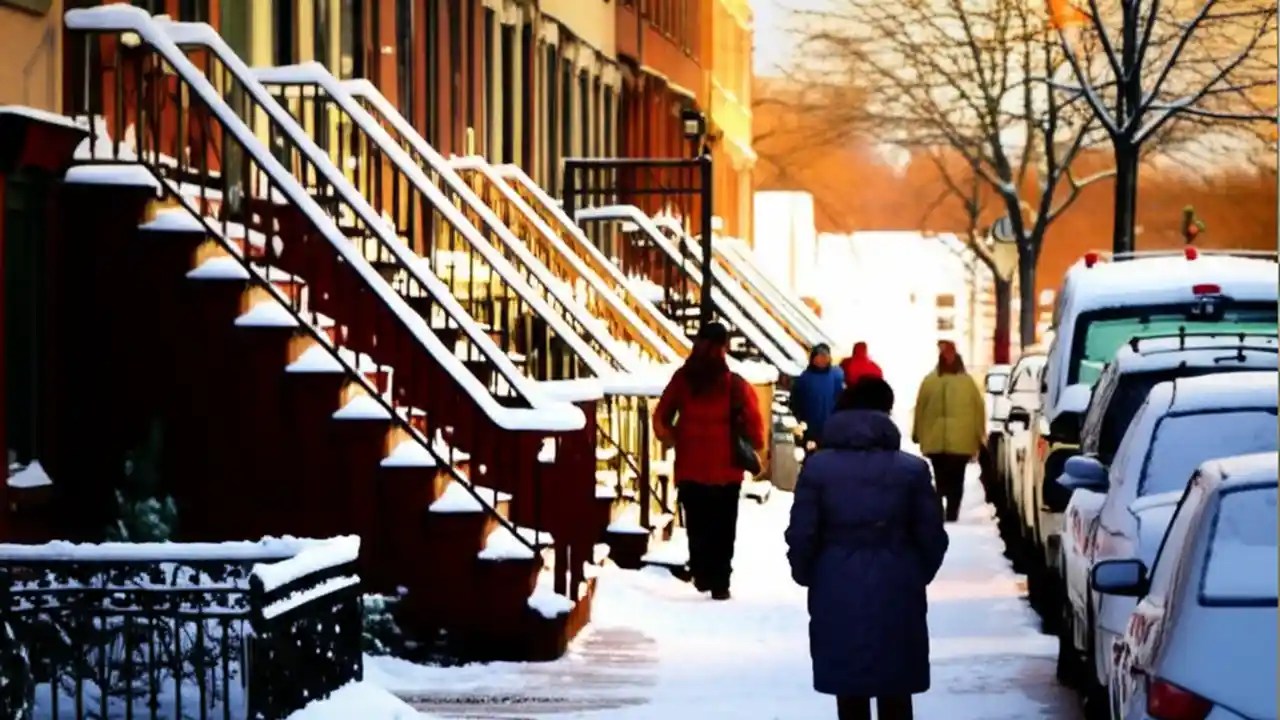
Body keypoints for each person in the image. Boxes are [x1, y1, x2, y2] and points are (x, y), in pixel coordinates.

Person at [785, 378, 949, 720]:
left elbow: (802, 533)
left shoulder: (818, 469)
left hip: (836, 581)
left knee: (850, 690)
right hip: (897, 582)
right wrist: (915, 571)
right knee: (896, 689)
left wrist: (807, 573)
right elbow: (932, 535)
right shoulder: (912, 470)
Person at [654, 322, 766, 600]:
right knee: (724, 526)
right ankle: (720, 581)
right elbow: (755, 426)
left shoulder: (683, 378)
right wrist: (754, 445)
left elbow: (660, 418)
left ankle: (702, 572)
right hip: (726, 469)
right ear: (725, 347)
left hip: (691, 466)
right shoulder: (735, 384)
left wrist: (674, 437)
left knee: (697, 523)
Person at [912, 340, 986, 522]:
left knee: (955, 479)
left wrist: (979, 435)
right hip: (937, 440)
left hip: (960, 441)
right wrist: (917, 431)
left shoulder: (965, 383)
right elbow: (921, 407)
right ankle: (941, 511)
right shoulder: (931, 381)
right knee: (940, 478)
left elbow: (978, 411)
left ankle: (951, 512)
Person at [790, 343, 845, 449]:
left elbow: (795, 404)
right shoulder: (805, 379)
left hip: (824, 430)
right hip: (815, 430)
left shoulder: (805, 378)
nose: (822, 361)